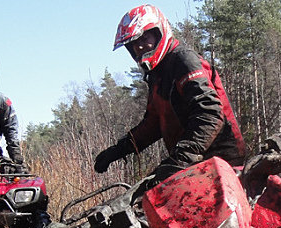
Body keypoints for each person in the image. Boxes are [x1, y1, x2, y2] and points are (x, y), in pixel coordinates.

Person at [93, 4, 245, 175]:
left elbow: (210, 113)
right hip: (195, 164)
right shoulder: (157, 74)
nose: (140, 47)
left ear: (159, 33)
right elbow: (154, 123)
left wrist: (182, 156)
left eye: (144, 39)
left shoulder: (183, 60)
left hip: (223, 163)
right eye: (134, 44)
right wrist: (119, 150)